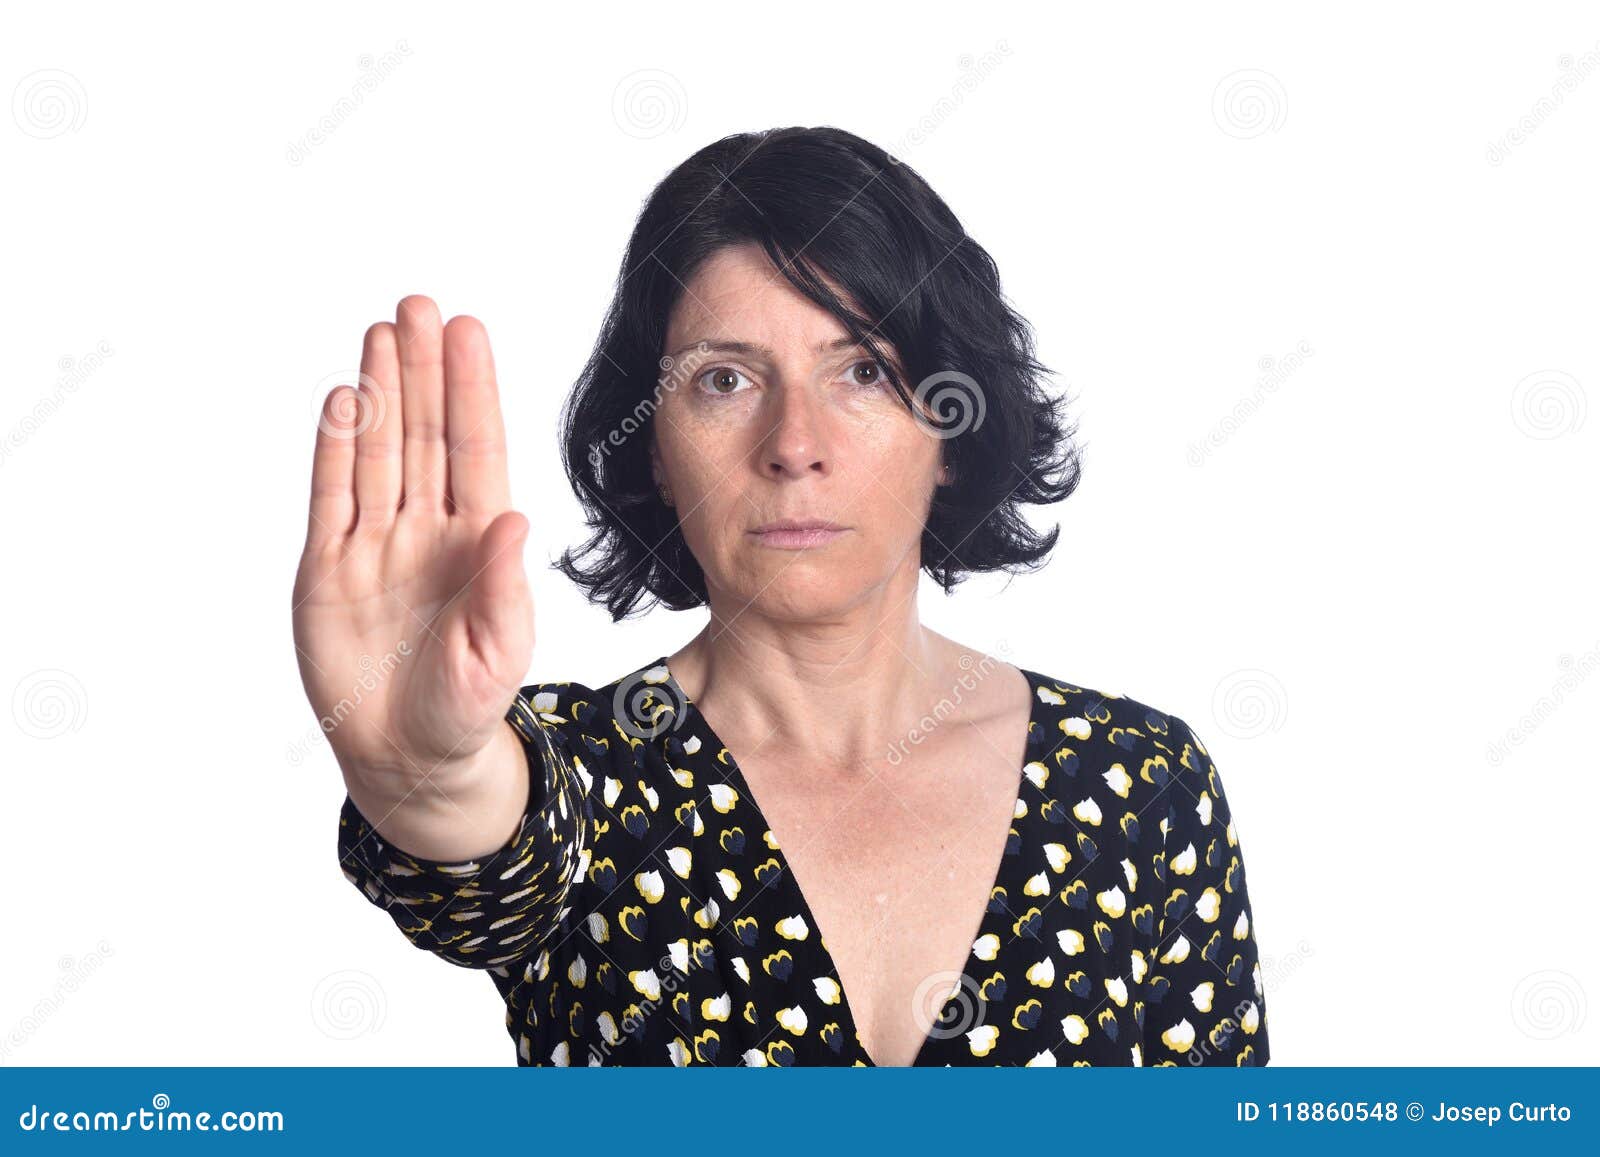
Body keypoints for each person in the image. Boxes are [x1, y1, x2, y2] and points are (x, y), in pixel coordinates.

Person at [293, 125, 1271, 1067]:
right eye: (724, 379)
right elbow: (482, 836)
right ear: (653, 447)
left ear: (950, 427)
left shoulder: (1142, 785)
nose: (794, 443)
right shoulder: (583, 778)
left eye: (861, 371)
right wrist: (424, 772)